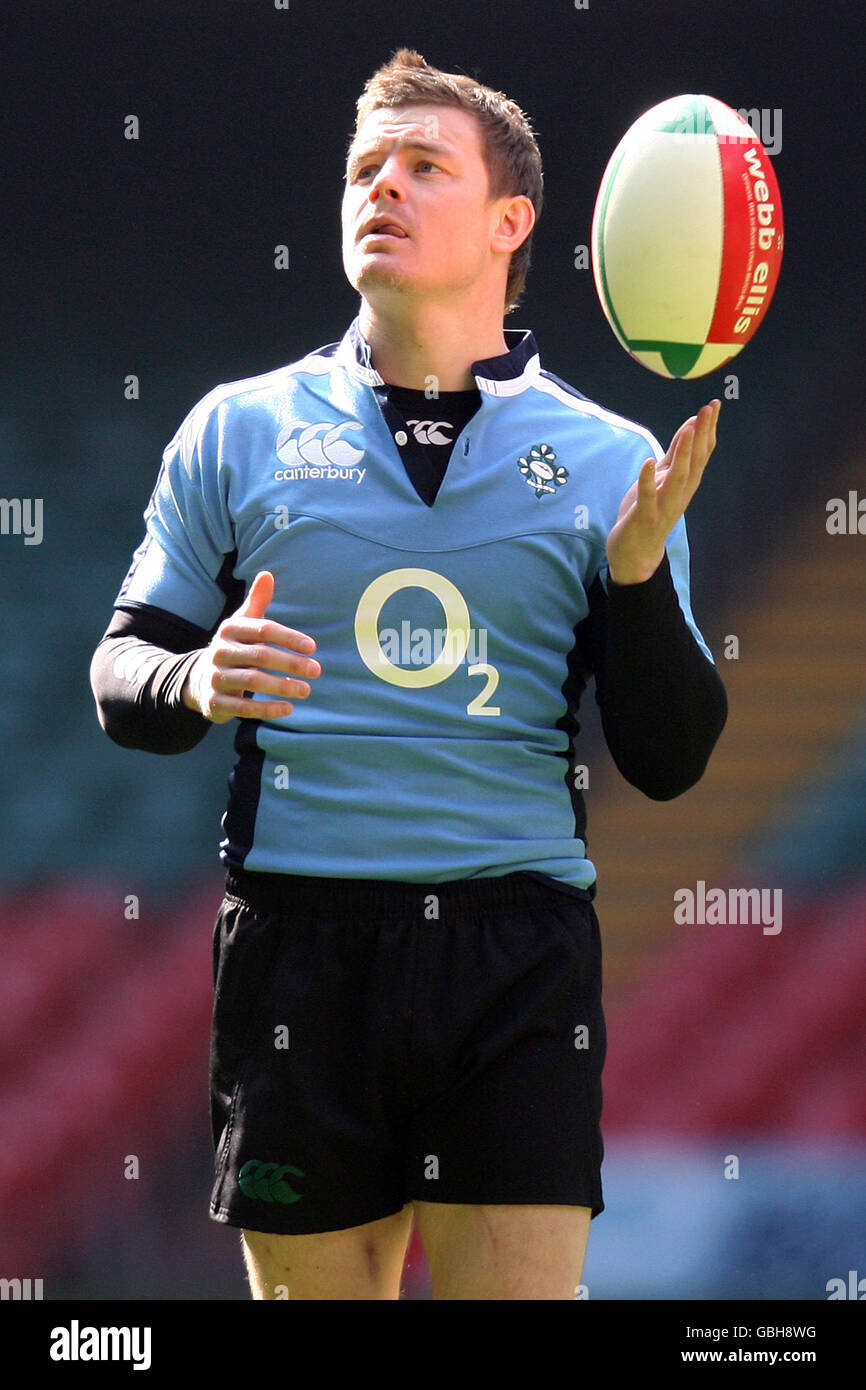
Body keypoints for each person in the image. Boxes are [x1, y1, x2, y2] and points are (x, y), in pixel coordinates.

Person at [90, 48, 727, 1300]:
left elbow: (669, 759)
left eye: (422, 165)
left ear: (510, 222)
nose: (381, 185)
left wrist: (639, 578)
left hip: (513, 952)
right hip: (297, 945)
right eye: (362, 169)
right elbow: (122, 673)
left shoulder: (610, 463)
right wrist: (198, 679)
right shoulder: (238, 427)